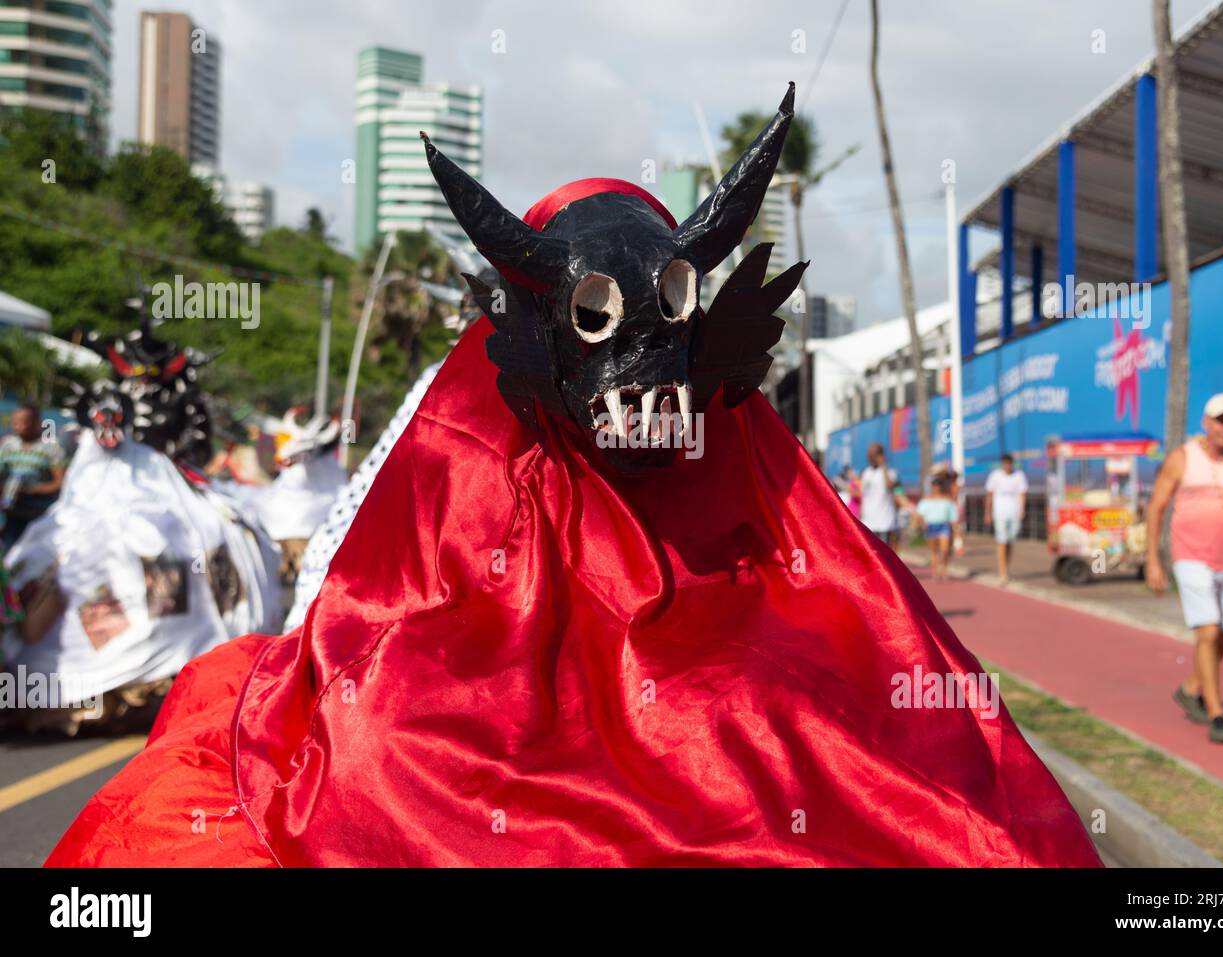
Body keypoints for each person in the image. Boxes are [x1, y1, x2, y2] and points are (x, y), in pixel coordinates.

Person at [47, 85, 1099, 867]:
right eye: (596, 318)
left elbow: (859, 632)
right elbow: (379, 610)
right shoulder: (462, 432)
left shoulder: (747, 456)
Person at [1146, 393, 1223, 745]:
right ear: (1206, 423)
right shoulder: (1183, 458)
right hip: (1191, 558)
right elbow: (1157, 508)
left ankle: (1191, 687)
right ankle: (1216, 714)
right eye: (1221, 421)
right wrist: (1153, 559)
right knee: (1208, 633)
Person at [0, 402, 66, 553]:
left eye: (24, 422)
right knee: (10, 556)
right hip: (12, 515)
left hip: (38, 516)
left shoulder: (50, 447)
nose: (18, 426)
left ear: (36, 422)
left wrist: (33, 490)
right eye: (15, 422)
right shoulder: (8, 445)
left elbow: (60, 482)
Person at [984, 453, 1027, 585]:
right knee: (1002, 542)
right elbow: (990, 495)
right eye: (1005, 463)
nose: (1007, 466)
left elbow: (1022, 494)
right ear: (1002, 464)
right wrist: (988, 512)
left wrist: (1022, 510)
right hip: (1000, 513)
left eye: (1009, 463)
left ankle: (1006, 567)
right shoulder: (995, 476)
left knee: (1010, 542)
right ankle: (1002, 572)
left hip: (1013, 514)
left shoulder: (1019, 476)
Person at [860, 442, 907, 549]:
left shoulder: (890, 472)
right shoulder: (866, 472)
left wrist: (883, 466)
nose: (870, 457)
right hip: (868, 521)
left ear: (880, 455)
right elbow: (863, 495)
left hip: (884, 521)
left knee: (883, 552)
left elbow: (889, 486)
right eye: (869, 454)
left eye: (873, 454)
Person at [915, 477, 958, 581]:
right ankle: (936, 572)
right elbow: (918, 515)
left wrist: (957, 531)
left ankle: (945, 569)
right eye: (935, 486)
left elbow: (953, 517)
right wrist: (922, 523)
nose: (936, 488)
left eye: (938, 485)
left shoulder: (948, 500)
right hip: (931, 526)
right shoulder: (926, 500)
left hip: (944, 525)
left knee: (945, 550)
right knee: (934, 551)